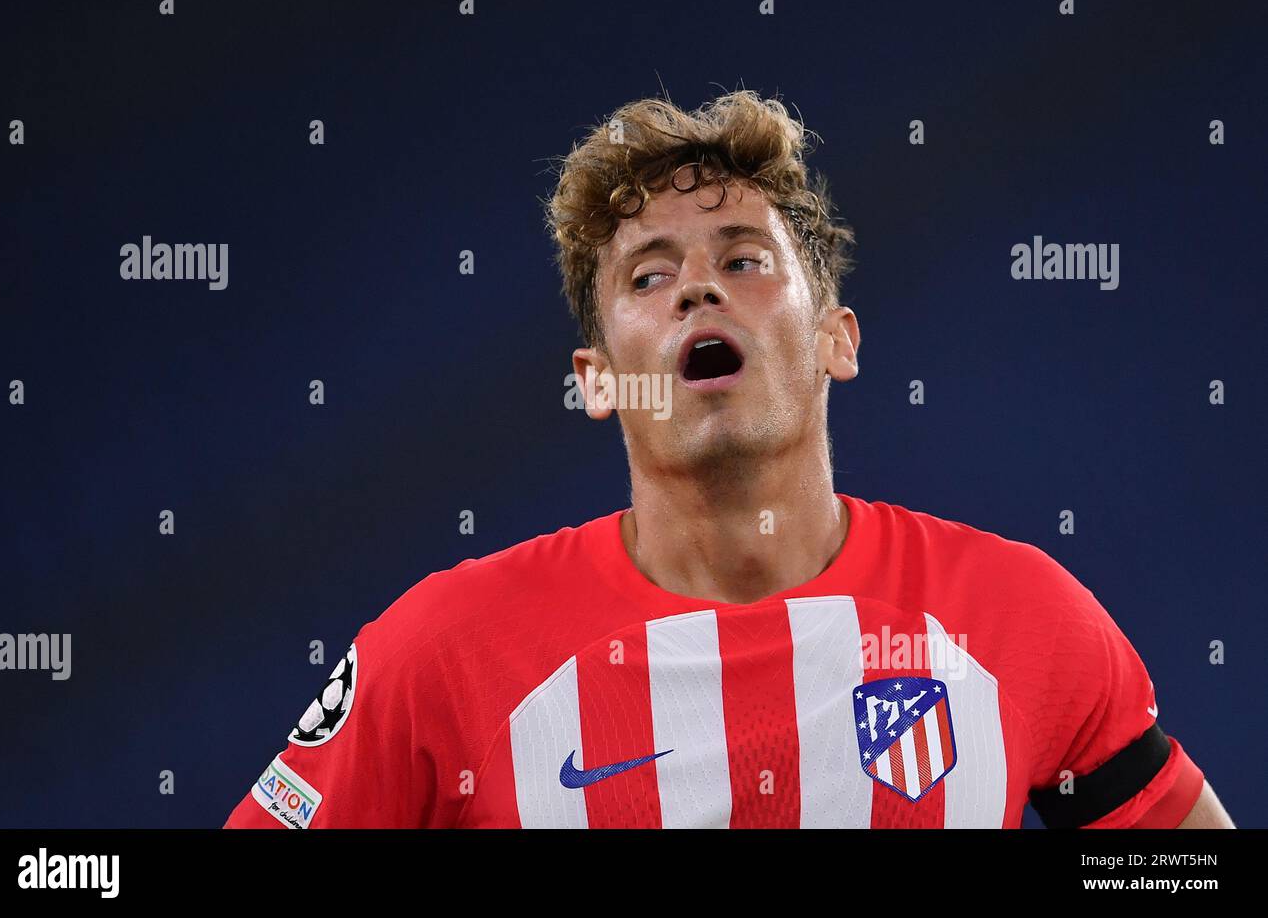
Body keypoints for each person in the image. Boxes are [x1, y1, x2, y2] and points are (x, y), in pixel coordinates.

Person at [225, 90, 1232, 828]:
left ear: (836, 337)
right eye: (649, 275)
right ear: (599, 379)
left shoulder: (1018, 616)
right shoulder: (441, 651)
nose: (697, 290)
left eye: (744, 259)